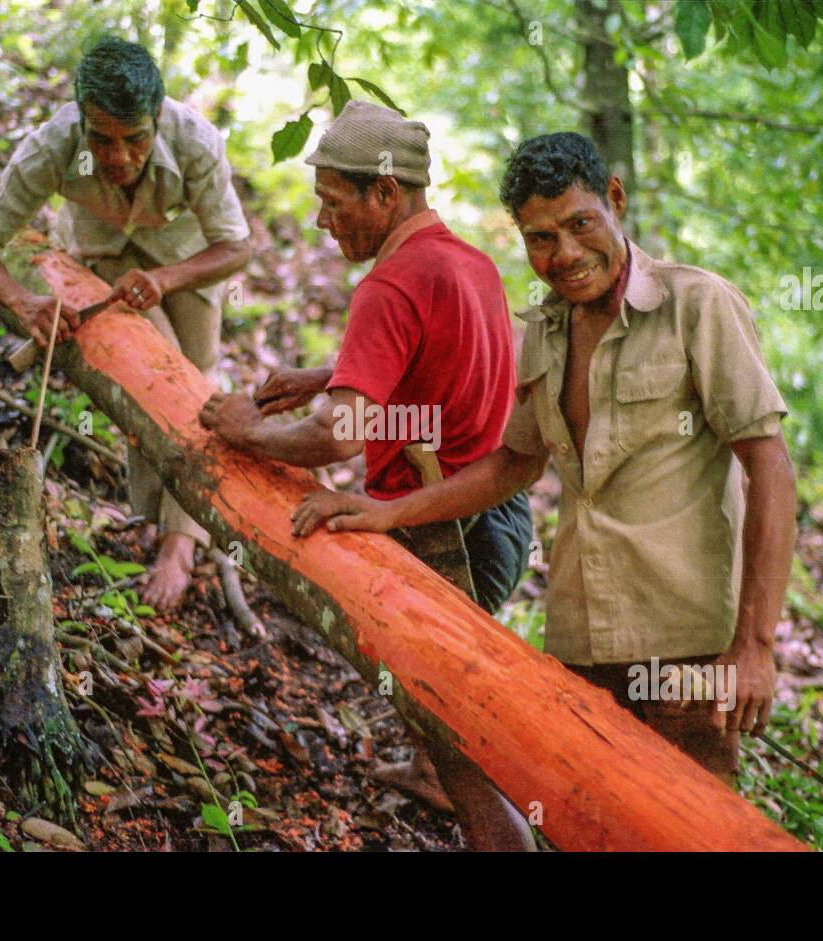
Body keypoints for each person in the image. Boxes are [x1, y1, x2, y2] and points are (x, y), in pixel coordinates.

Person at [293, 131, 798, 791]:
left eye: (580, 224)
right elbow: (513, 465)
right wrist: (390, 512)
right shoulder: (547, 328)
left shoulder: (697, 306)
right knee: (586, 818)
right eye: (539, 238)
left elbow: (771, 469)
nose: (564, 254)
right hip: (582, 640)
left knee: (687, 822)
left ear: (615, 199)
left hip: (688, 648)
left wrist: (754, 648)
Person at [198, 100, 536, 850]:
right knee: (448, 714)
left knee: (466, 752)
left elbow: (338, 435)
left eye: (332, 202)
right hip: (499, 518)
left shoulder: (387, 287)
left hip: (444, 533)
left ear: (385, 194)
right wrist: (331, 373)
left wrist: (249, 431)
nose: (323, 222)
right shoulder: (467, 262)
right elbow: (433, 362)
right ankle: (427, 769)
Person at [0, 35, 251, 613]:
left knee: (202, 386)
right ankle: (176, 541)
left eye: (136, 139)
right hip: (103, 259)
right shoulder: (52, 144)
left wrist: (166, 280)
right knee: (159, 384)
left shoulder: (196, 142)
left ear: (158, 119)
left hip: (187, 264)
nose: (118, 157)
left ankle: (180, 527)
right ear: (81, 122)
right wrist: (21, 302)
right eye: (102, 140)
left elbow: (235, 248)